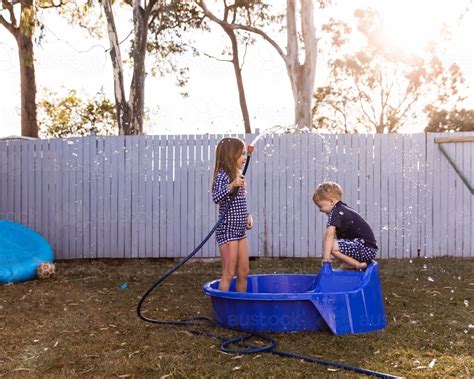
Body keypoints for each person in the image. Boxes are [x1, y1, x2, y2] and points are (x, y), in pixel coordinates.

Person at [212, 137, 253, 292]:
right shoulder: (222, 175)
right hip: (228, 231)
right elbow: (216, 197)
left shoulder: (238, 175)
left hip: (240, 231)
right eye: (241, 154)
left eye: (244, 154)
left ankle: (240, 308)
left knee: (244, 272)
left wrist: (247, 215)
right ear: (230, 155)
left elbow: (239, 201)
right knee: (229, 272)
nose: (244, 157)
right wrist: (231, 185)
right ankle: (224, 310)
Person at [312, 181, 378, 270]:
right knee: (333, 244)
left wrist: (326, 258)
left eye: (321, 206)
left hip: (365, 248)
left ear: (331, 201)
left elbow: (329, 234)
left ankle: (357, 265)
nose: (320, 210)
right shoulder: (342, 209)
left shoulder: (336, 212)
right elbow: (329, 235)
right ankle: (347, 268)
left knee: (332, 246)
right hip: (368, 248)